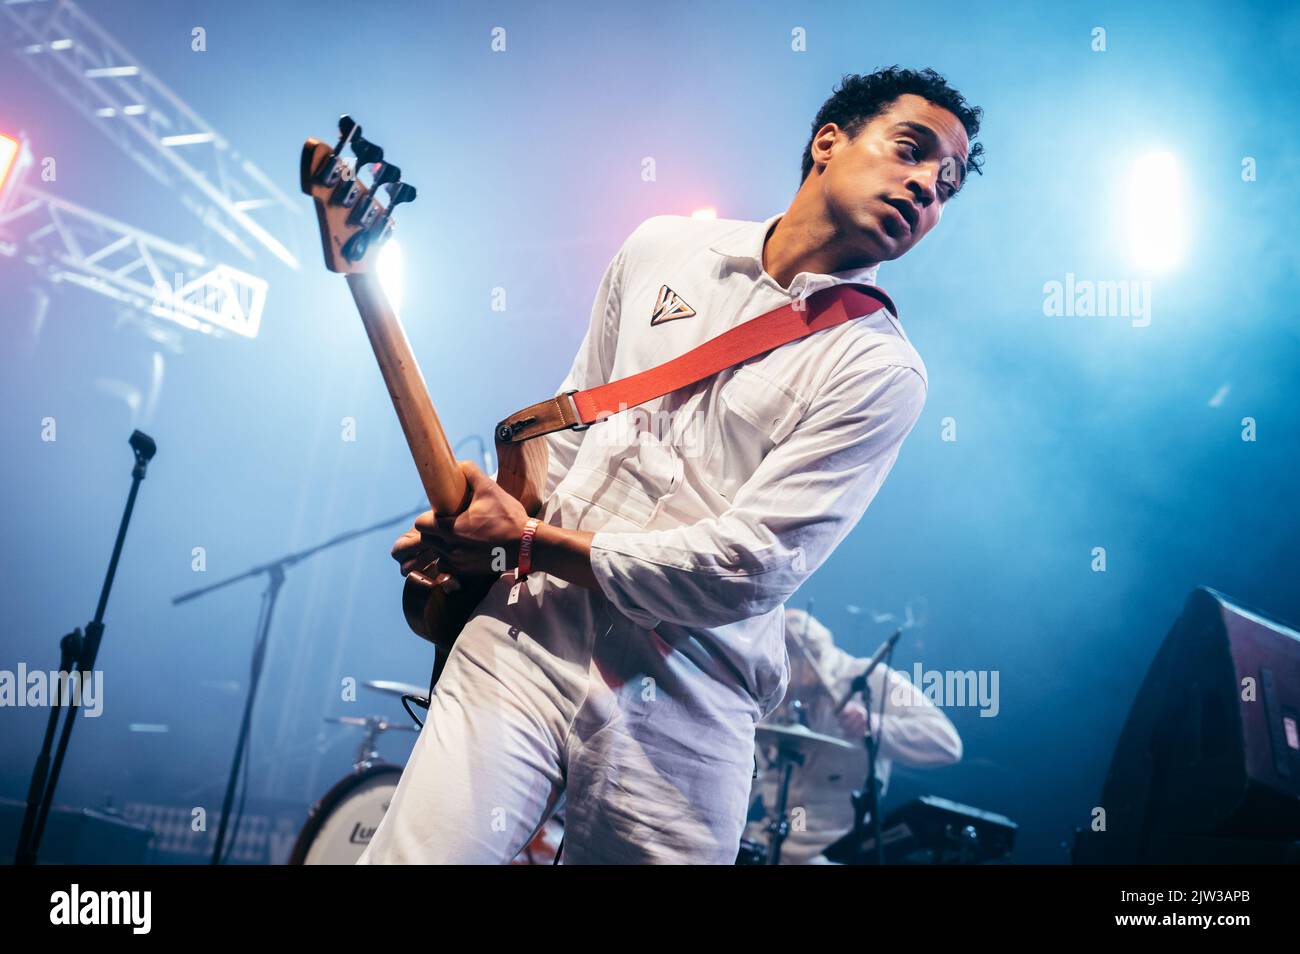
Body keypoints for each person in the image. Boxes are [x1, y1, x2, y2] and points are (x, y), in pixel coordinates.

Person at [358, 66, 984, 864]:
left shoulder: (881, 371)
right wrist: (483, 535)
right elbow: (572, 441)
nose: (928, 185)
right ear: (828, 141)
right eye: (912, 149)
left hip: (690, 699)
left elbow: (747, 571)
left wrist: (520, 544)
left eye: (947, 183)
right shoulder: (661, 248)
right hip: (528, 634)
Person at [746, 608, 963, 864]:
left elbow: (946, 744)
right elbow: (750, 772)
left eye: (806, 693)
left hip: (834, 848)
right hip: (771, 837)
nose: (799, 702)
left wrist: (874, 724)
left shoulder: (872, 680)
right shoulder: (776, 686)